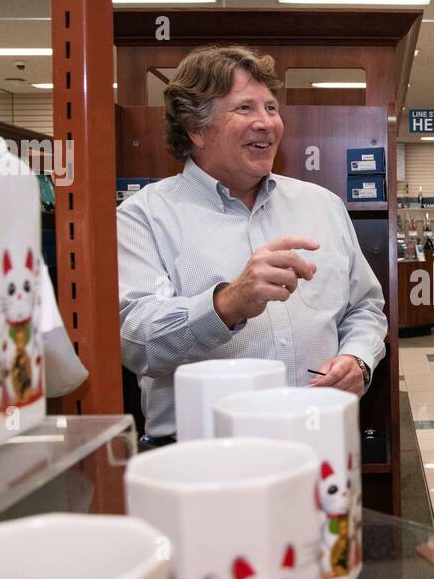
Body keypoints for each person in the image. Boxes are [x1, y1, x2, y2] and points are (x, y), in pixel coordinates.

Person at [117, 45, 387, 442]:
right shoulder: (144, 216)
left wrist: (358, 359)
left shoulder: (323, 205)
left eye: (272, 108)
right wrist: (226, 304)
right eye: (244, 109)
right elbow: (136, 342)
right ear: (196, 128)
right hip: (205, 455)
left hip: (318, 439)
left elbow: (364, 306)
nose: (266, 123)